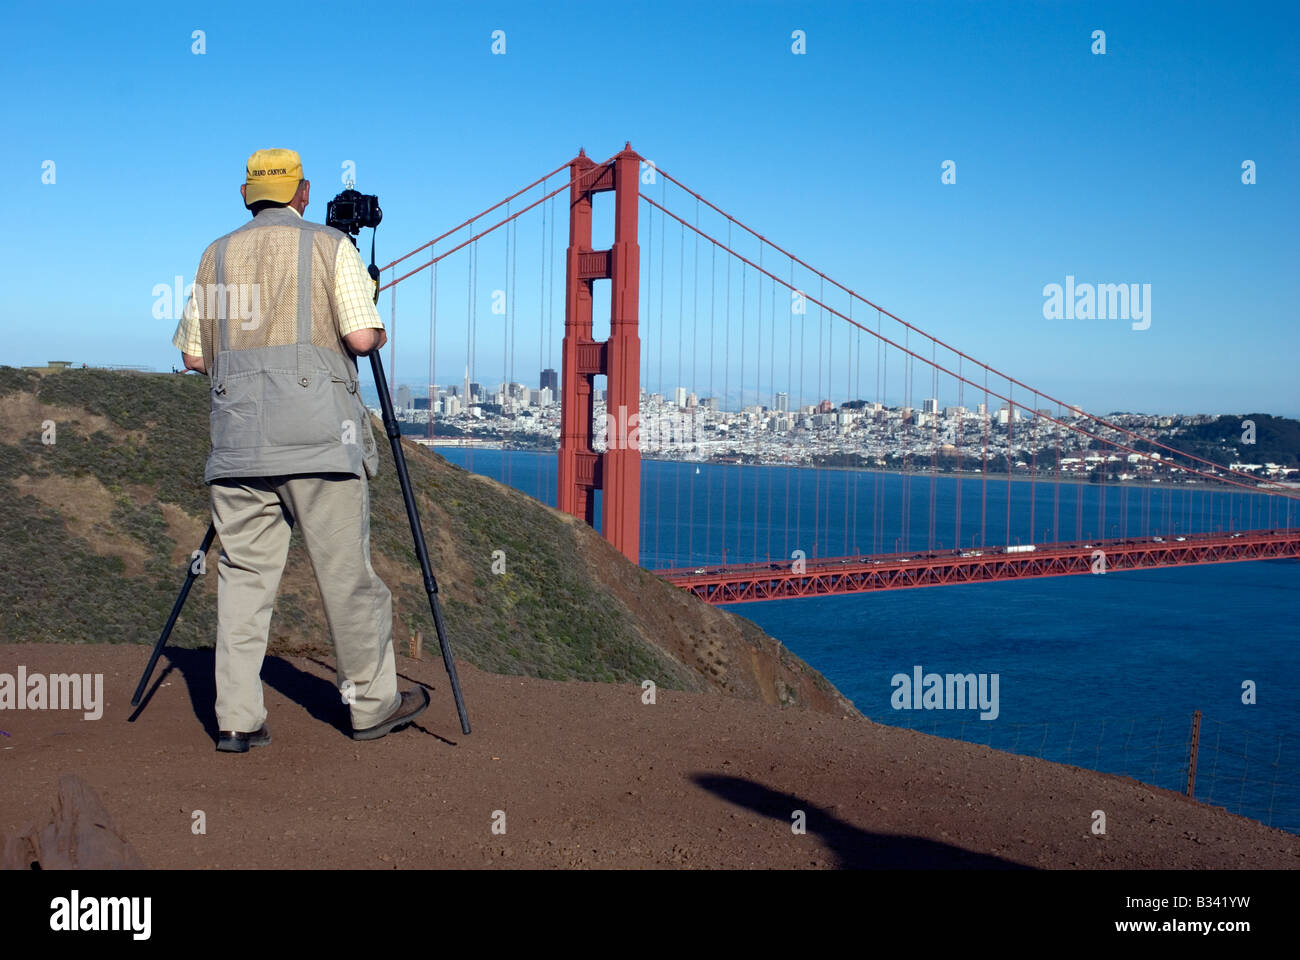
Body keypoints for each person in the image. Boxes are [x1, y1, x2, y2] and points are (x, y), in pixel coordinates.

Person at [172, 148, 429, 752]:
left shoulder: (216, 255)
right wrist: (371, 301)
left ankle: (236, 719)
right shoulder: (330, 248)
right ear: (304, 192)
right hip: (321, 442)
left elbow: (193, 357)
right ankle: (371, 705)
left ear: (245, 195)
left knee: (243, 581)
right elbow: (363, 339)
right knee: (346, 580)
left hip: (238, 444)